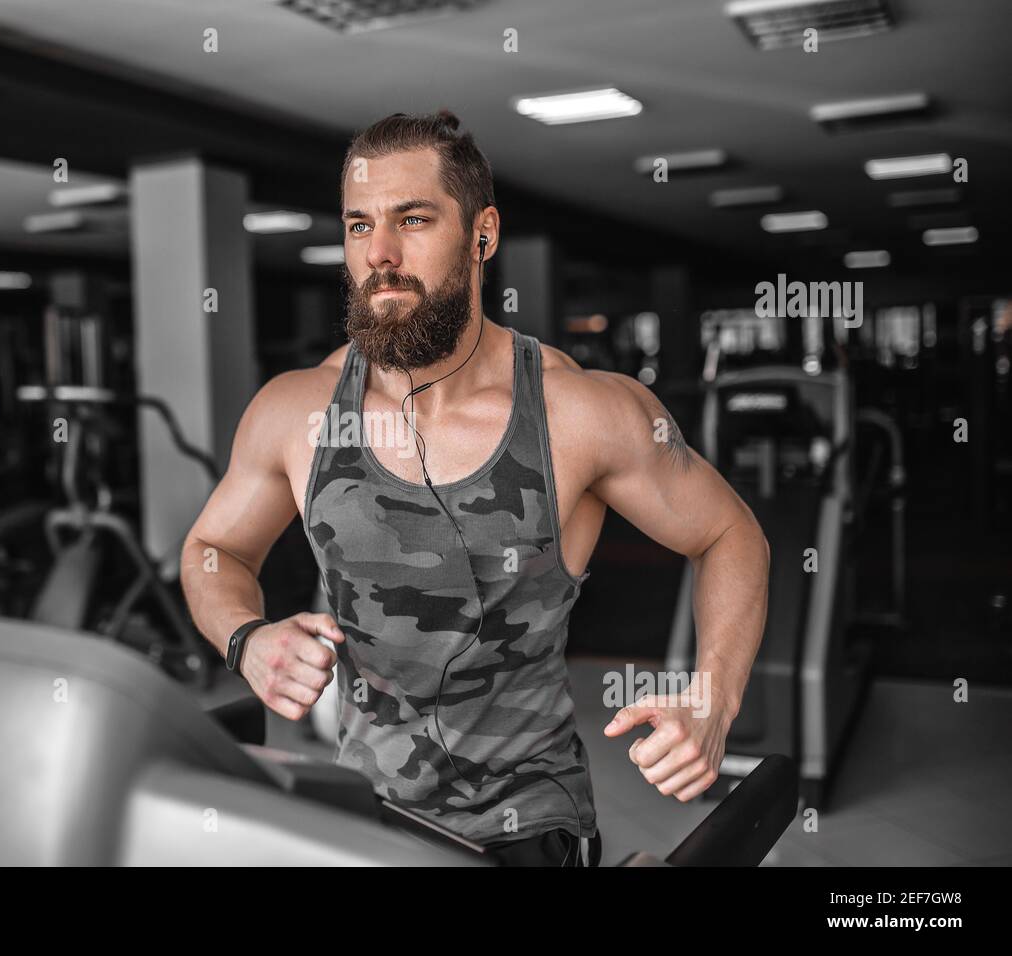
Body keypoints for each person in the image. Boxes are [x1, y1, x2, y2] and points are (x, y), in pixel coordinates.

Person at [180, 110, 769, 867]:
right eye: (359, 226)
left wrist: (712, 699)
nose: (380, 255)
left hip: (532, 825)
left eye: (413, 219)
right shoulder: (295, 411)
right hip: (368, 818)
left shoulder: (581, 413)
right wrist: (245, 637)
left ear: (483, 234)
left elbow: (730, 535)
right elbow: (211, 548)